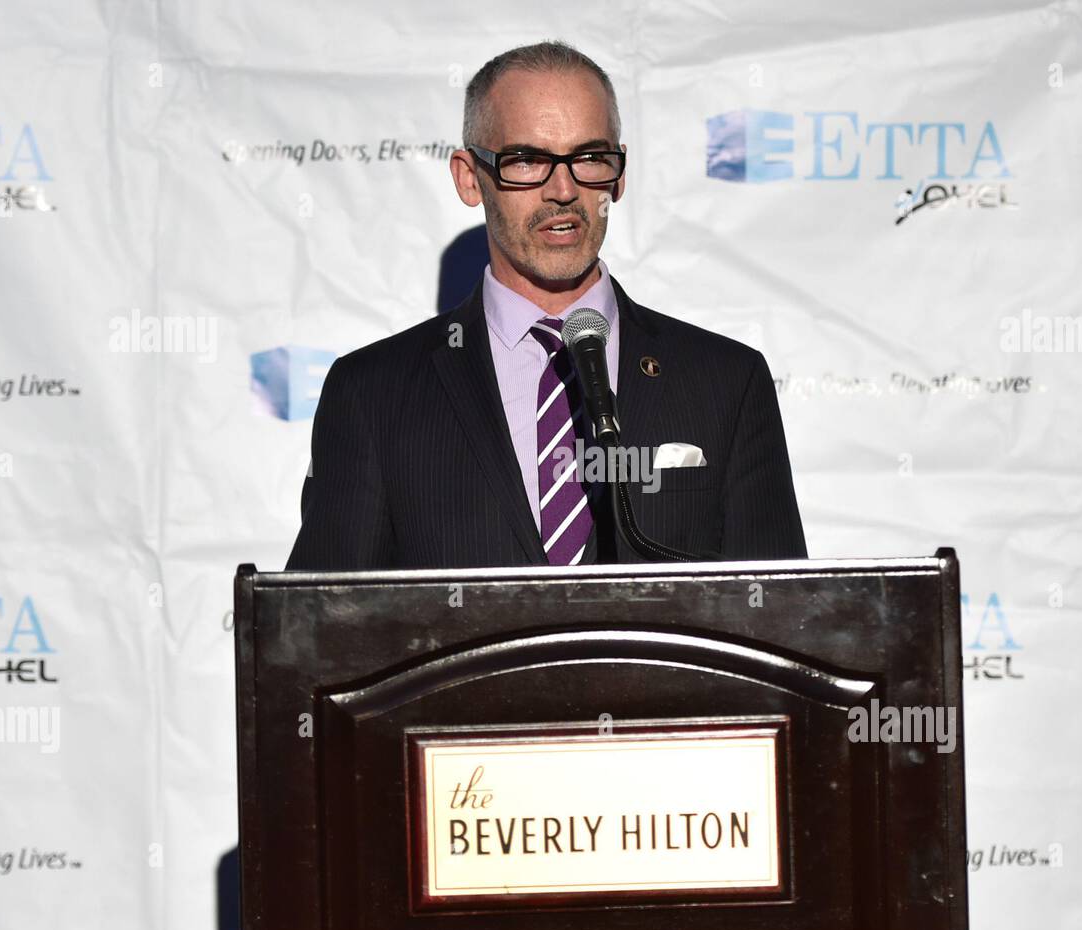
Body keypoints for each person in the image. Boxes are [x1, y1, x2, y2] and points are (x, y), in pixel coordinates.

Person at [286, 40, 806, 571]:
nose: (563, 189)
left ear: (618, 176)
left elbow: (784, 621)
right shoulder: (373, 395)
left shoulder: (726, 382)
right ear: (470, 178)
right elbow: (323, 630)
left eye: (589, 158)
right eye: (527, 160)